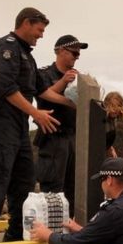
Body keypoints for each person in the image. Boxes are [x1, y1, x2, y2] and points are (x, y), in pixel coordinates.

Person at [0, 7, 76, 244]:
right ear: (26, 23)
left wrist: (74, 102)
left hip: (18, 123)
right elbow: (6, 88)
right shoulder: (6, 47)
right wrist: (36, 113)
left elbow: (42, 90)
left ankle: (15, 233)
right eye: (39, 30)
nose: (42, 35)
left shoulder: (28, 56)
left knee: (24, 180)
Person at [33, 34, 88, 213]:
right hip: (52, 137)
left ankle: (70, 230)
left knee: (74, 187)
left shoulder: (78, 77)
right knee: (53, 187)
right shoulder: (44, 74)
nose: (76, 57)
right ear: (61, 51)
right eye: (73, 53)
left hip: (73, 136)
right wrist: (63, 82)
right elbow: (41, 95)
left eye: (78, 55)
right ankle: (50, 229)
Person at [103, 91, 123, 158]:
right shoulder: (102, 120)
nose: (115, 109)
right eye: (112, 106)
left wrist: (111, 148)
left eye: (118, 106)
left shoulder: (113, 121)